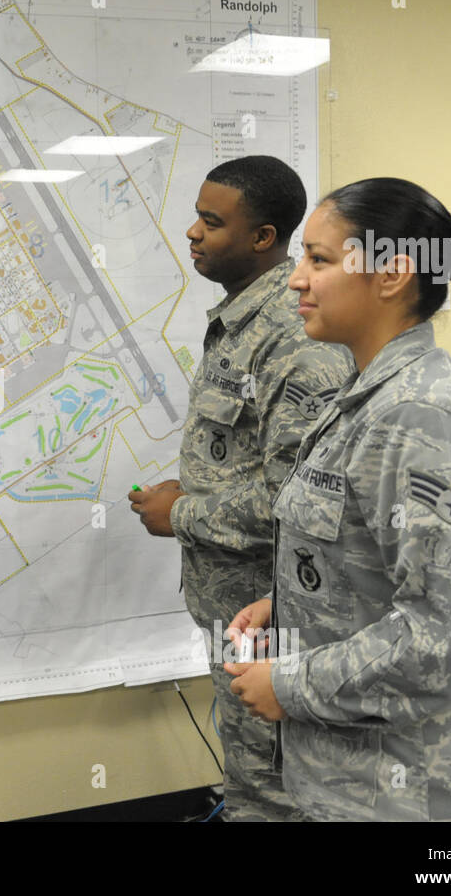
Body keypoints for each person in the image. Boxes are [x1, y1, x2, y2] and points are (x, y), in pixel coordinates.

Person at [224, 177, 451, 821]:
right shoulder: (366, 397)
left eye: (320, 259)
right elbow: (372, 563)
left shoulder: (423, 419)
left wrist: (291, 683)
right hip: (356, 781)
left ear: (391, 275)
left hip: (419, 796)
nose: (295, 280)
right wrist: (291, 603)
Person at [129, 156, 353, 821]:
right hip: (235, 612)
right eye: (197, 215)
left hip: (277, 618)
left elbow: (305, 500)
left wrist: (184, 512)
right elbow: (251, 456)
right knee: (253, 775)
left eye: (211, 220)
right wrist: (191, 485)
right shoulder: (241, 316)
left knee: (273, 792)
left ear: (263, 236)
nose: (193, 232)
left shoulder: (294, 338)